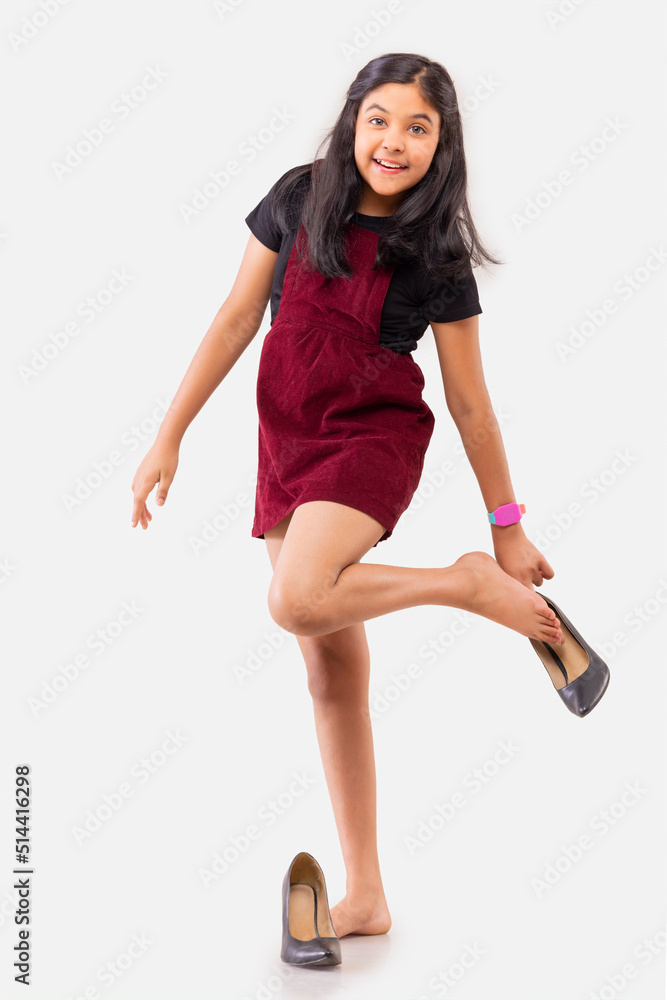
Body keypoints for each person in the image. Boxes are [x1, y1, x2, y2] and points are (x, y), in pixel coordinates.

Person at [130, 52, 564, 941]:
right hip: (286, 434)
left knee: (297, 598)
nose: (393, 141)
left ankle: (465, 582)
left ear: (442, 145)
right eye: (379, 119)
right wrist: (168, 432)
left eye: (417, 127)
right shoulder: (299, 195)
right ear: (352, 119)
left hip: (370, 434)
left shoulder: (436, 253)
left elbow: (471, 403)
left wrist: (507, 529)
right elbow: (235, 317)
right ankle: (365, 894)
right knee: (327, 663)